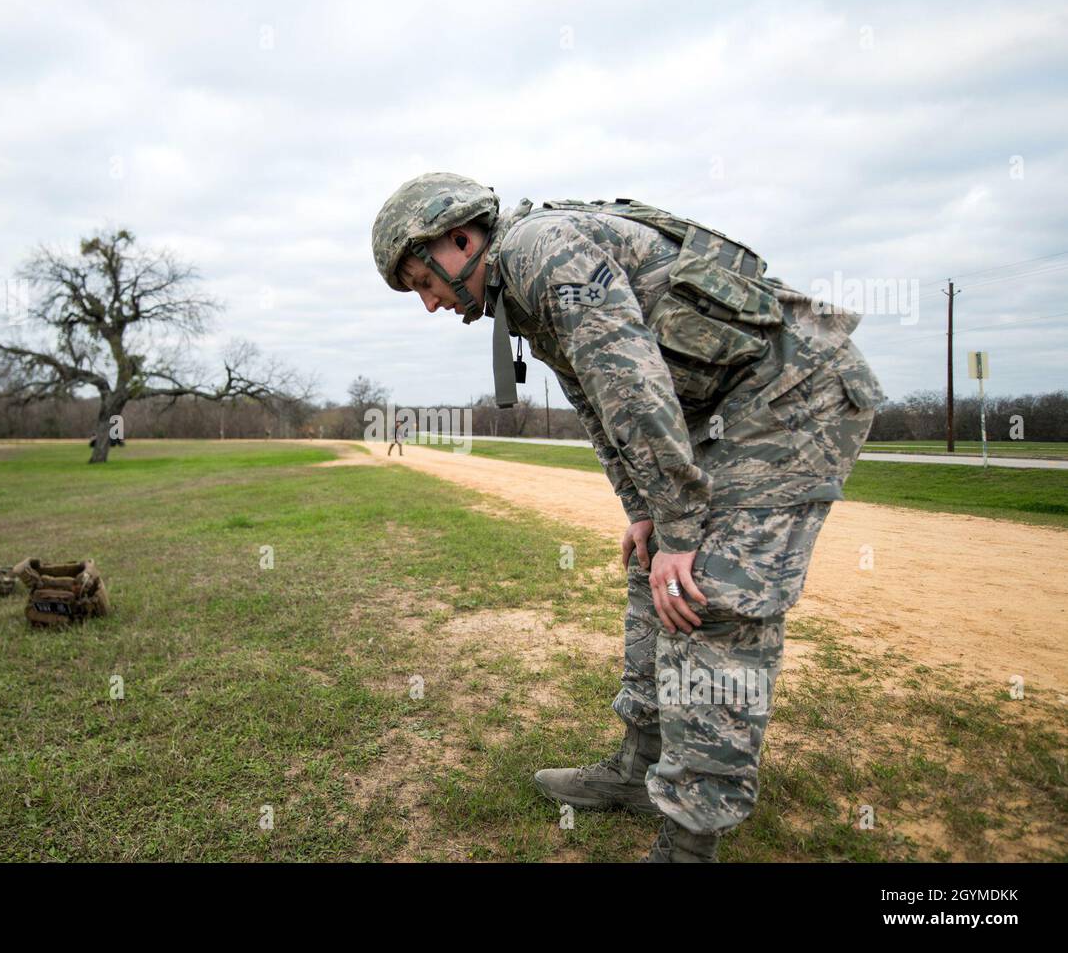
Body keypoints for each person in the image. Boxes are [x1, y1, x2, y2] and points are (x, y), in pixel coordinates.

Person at [371, 173, 883, 862]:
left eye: (423, 284)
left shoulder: (541, 254)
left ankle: (689, 843)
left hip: (793, 397)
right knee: (655, 571)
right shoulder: (521, 288)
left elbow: (634, 387)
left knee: (712, 598)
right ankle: (640, 768)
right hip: (732, 408)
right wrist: (646, 515)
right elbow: (597, 400)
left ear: (459, 241)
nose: (429, 306)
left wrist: (680, 526)